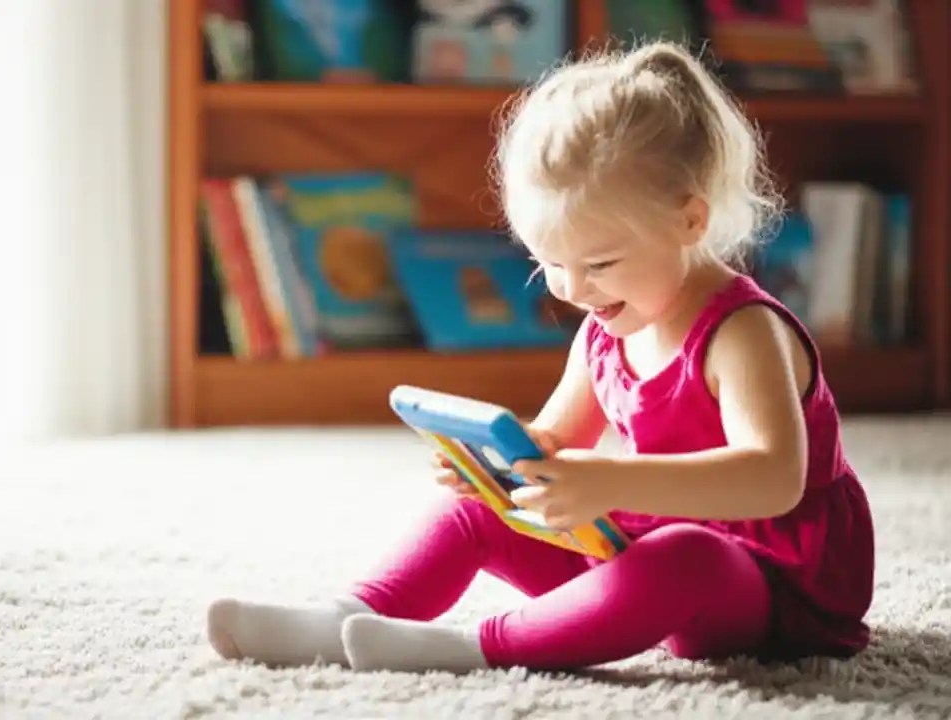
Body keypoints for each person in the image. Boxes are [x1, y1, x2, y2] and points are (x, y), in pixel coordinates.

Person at [205, 40, 875, 673]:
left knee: (685, 555)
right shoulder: (608, 328)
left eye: (601, 263)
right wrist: (500, 466)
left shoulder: (743, 331)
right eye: (550, 262)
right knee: (477, 514)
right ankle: (344, 618)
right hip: (646, 545)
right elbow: (555, 440)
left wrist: (613, 484)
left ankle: (477, 651)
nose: (572, 289)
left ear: (690, 221)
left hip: (776, 583)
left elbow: (773, 477)